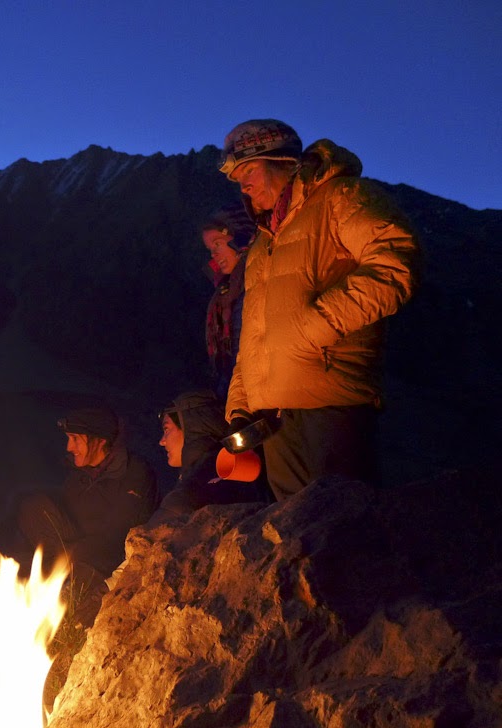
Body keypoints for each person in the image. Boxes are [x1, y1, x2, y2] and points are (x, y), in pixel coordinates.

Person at [218, 119, 419, 501]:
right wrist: (240, 407)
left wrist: (314, 328)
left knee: (344, 518)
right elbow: (255, 334)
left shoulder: (341, 198)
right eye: (237, 178)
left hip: (332, 402)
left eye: (249, 171)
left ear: (283, 162)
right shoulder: (262, 243)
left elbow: (396, 265)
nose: (242, 185)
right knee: (293, 526)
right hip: (273, 417)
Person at [16, 404, 156, 625]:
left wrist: (69, 560)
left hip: (106, 562)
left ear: (99, 440)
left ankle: (65, 596)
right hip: (74, 555)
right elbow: (58, 525)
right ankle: (54, 582)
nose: (69, 447)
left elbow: (116, 536)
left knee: (71, 576)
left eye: (75, 439)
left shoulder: (134, 473)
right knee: (34, 507)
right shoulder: (78, 476)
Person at [145, 390, 267, 528]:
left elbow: (170, 514)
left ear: (191, 427)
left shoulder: (209, 475)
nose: (162, 441)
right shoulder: (223, 467)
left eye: (166, 429)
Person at [202, 205, 256, 401]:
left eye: (217, 244)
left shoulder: (255, 281)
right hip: (239, 391)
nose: (213, 255)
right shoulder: (226, 294)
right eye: (210, 249)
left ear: (238, 239)